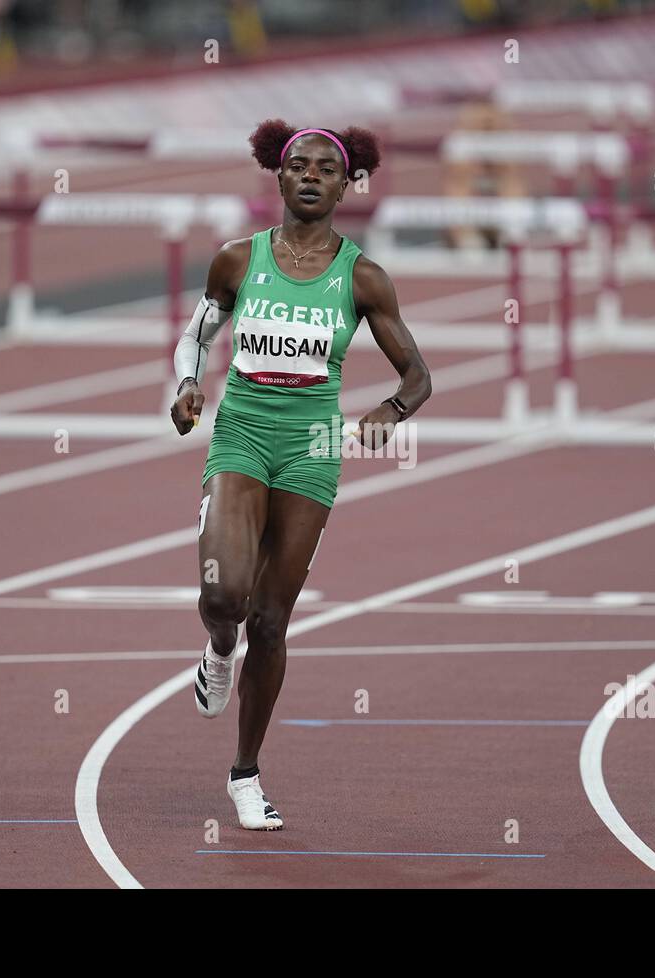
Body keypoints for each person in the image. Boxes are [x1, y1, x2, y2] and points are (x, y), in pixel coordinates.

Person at [169, 121, 432, 828]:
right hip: (243, 432)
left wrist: (391, 410)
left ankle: (245, 774)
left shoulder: (363, 276)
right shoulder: (237, 260)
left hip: (312, 445)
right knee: (224, 595)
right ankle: (216, 652)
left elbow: (418, 374)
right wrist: (188, 385)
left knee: (273, 621)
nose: (312, 176)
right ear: (278, 178)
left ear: (348, 185)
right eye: (298, 166)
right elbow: (196, 335)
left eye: (327, 169)